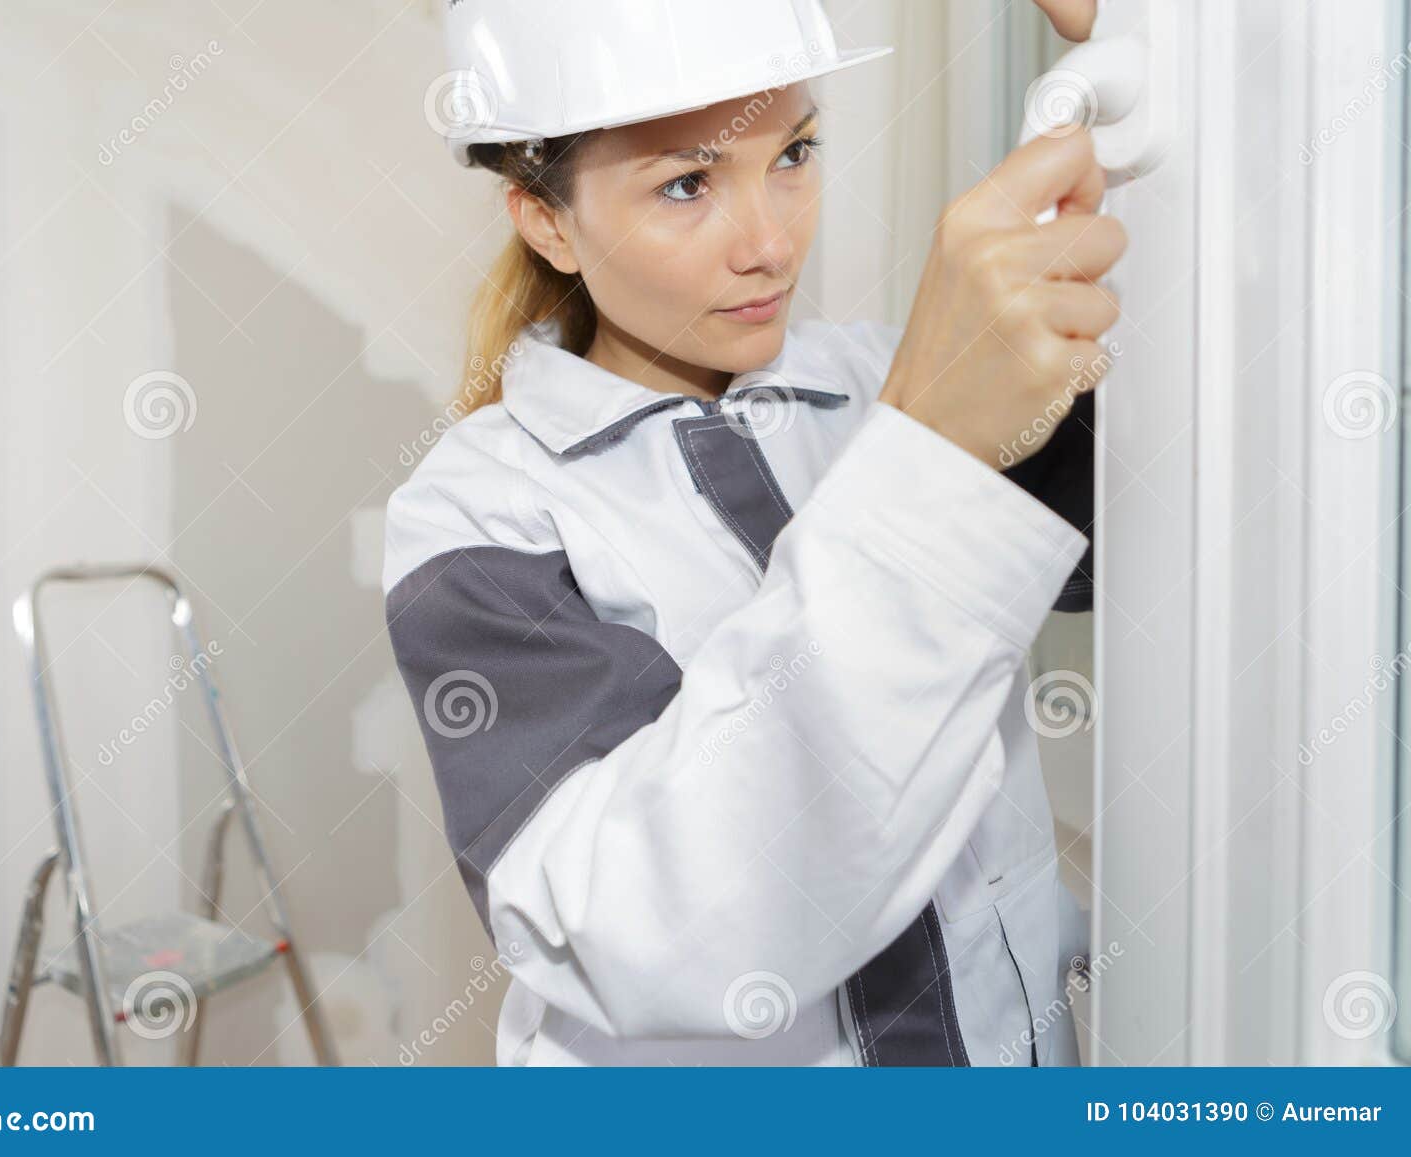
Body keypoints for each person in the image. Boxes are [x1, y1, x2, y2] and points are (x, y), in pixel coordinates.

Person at [383, 0, 1121, 1066]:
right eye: (686, 183)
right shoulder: (480, 515)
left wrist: (1141, 50)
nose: (772, 242)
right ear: (545, 219)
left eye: (795, 153)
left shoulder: (880, 381)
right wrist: (924, 456)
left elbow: (1164, 517)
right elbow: (647, 929)